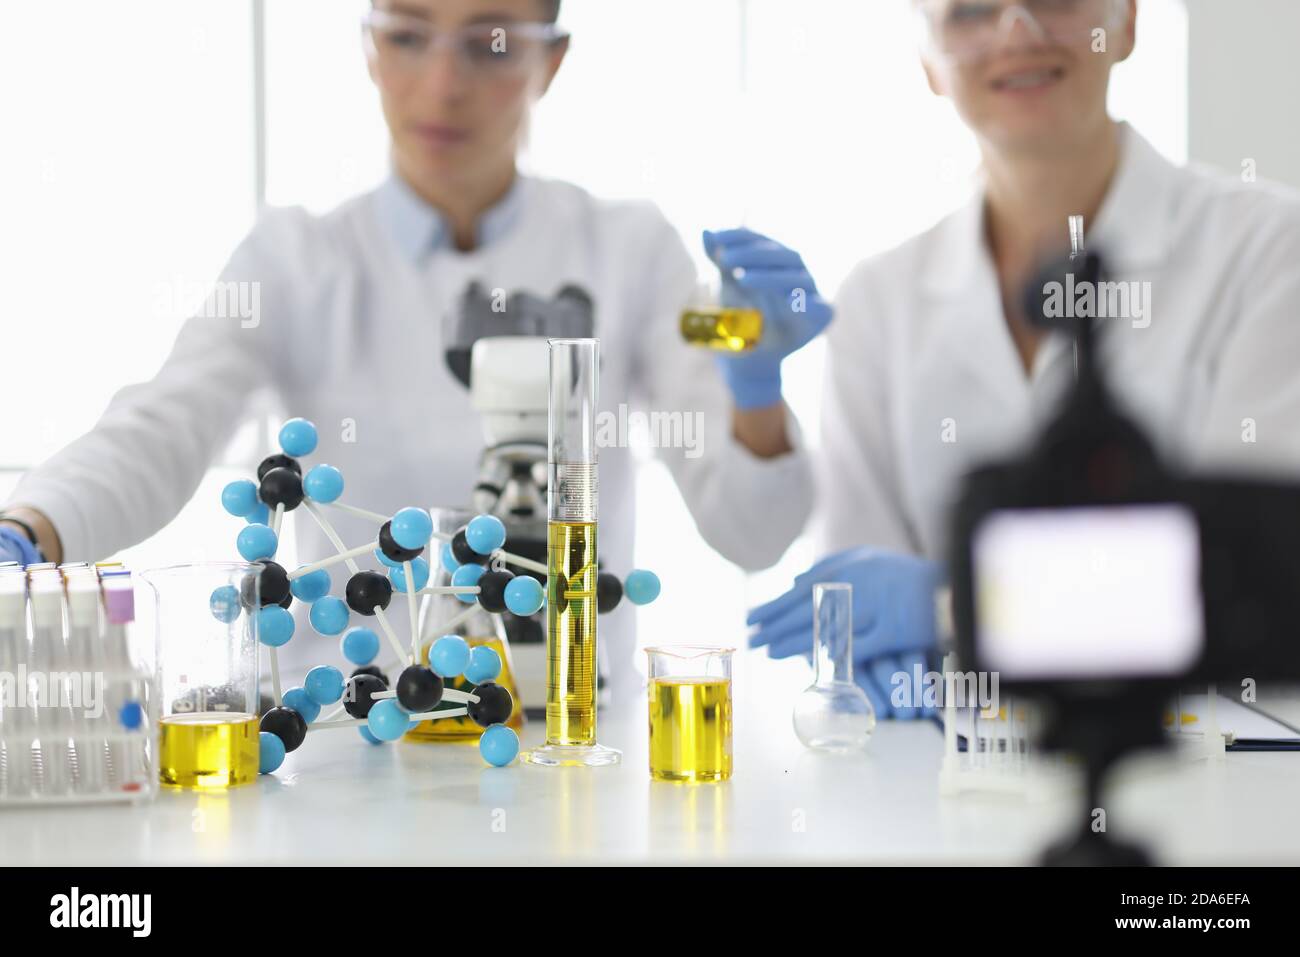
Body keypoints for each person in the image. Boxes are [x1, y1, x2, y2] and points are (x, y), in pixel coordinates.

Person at [0, 0, 828, 688]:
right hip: (343, 738)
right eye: (407, 34)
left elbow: (753, 534)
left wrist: (756, 390)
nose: (443, 84)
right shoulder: (295, 259)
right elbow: (161, 425)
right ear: (368, 47)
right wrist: (31, 530)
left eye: (489, 43)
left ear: (554, 61)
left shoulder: (632, 251)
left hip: (564, 749)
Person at [749, 0, 1300, 718]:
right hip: (942, 783)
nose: (1016, 31)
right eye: (971, 11)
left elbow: (1256, 576)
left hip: (1218, 771)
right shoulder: (879, 299)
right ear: (928, 59)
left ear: (1126, 22)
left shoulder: (1268, 250)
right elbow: (860, 605)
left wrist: (955, 604)